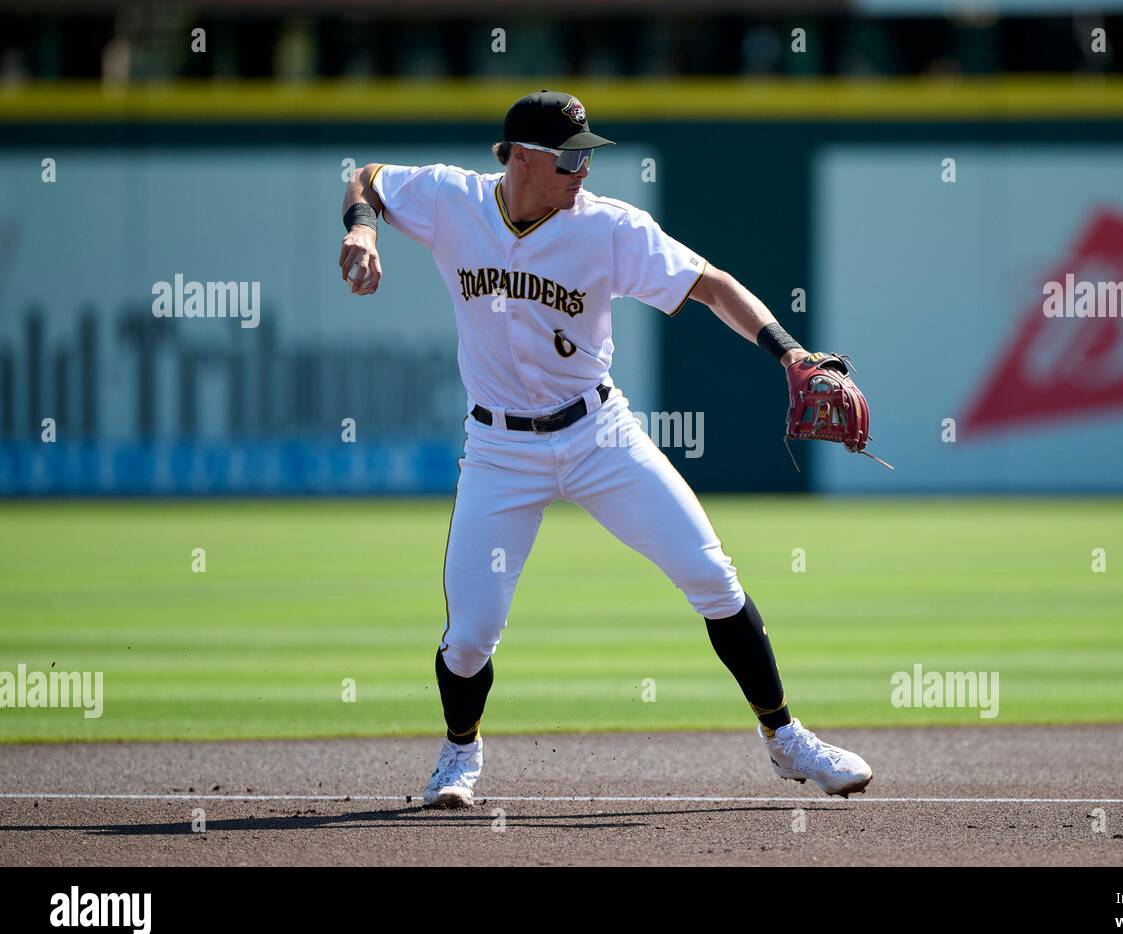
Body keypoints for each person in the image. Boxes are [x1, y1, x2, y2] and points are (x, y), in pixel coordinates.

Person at [337, 90, 872, 807]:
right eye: (568, 156)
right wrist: (365, 232)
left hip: (600, 436)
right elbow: (367, 177)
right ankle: (459, 754)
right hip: (498, 450)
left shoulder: (609, 229)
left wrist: (789, 354)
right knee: (469, 637)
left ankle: (785, 738)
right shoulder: (450, 200)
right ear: (521, 157)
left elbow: (711, 286)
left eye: (588, 153)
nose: (582, 168)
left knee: (712, 577)